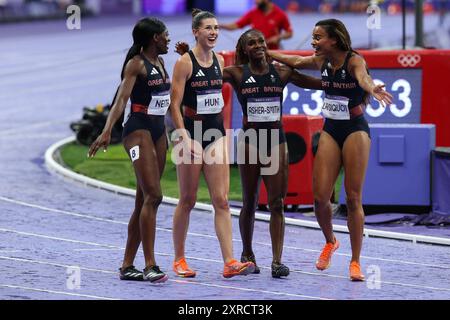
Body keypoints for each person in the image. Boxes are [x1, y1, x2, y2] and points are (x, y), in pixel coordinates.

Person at [175, 29, 322, 278]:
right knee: (250, 201)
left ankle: (277, 261)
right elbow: (201, 77)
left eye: (261, 41)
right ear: (244, 50)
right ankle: (247, 254)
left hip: (275, 139)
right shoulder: (236, 73)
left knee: (277, 202)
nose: (258, 45)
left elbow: (318, 83)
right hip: (250, 140)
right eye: (251, 43)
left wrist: (355, 85)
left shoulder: (282, 71)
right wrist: (189, 57)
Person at [268, 19, 392, 281]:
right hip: (331, 128)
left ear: (333, 40)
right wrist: (267, 53)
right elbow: (297, 62)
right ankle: (330, 241)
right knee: (320, 197)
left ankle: (355, 261)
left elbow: (364, 79)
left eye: (318, 37)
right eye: (313, 37)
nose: (313, 41)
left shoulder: (353, 60)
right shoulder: (320, 61)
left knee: (353, 197)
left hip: (355, 129)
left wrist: (374, 88)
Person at [169, 9, 255, 279]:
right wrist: (183, 136)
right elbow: (174, 104)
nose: (214, 32)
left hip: (216, 133)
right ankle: (179, 259)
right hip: (191, 134)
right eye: (208, 27)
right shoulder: (184, 63)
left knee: (222, 200)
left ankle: (229, 261)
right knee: (188, 199)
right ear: (196, 31)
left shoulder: (219, 59)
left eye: (216, 27)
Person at [88, 17, 172, 283]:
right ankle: (150, 265)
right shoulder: (137, 64)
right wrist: (106, 129)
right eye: (165, 35)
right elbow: (121, 99)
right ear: (153, 38)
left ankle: (127, 265)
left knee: (143, 201)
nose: (169, 38)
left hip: (159, 131)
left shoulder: (161, 62)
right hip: (137, 131)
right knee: (154, 196)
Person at [219, 0, 293, 50]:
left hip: (273, 51)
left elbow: (289, 33)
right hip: (256, 51)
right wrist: (219, 25)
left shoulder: (280, 14)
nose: (255, 2)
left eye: (258, 0)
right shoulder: (253, 13)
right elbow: (235, 25)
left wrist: (278, 37)